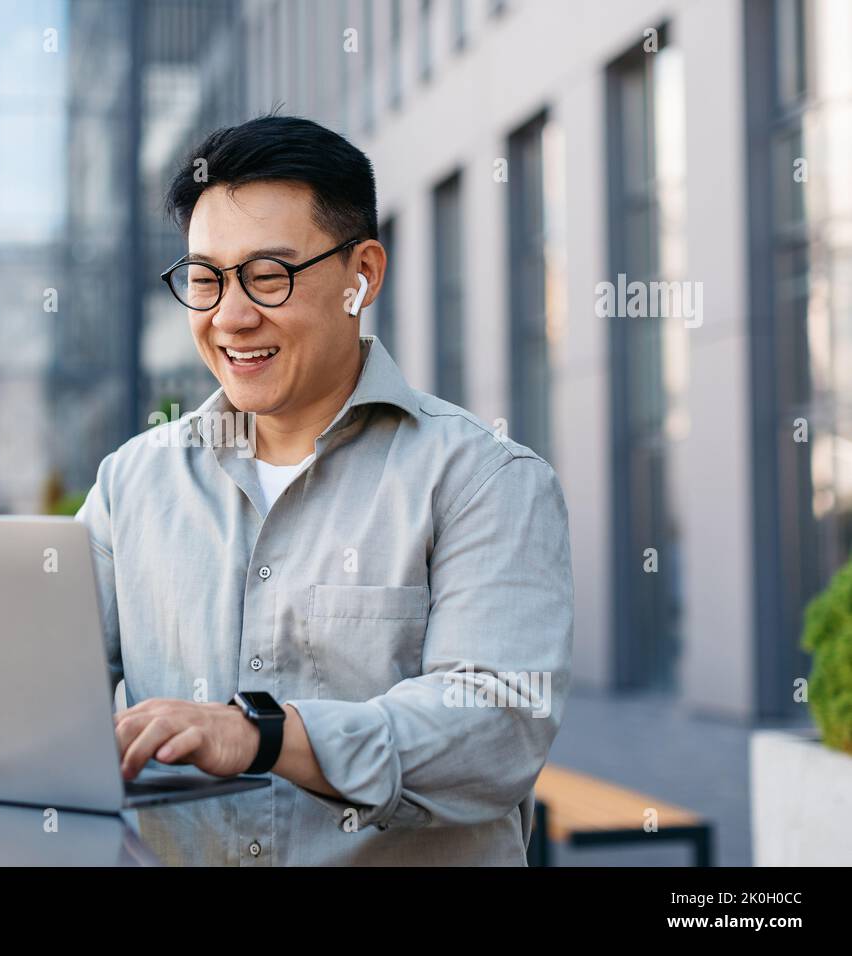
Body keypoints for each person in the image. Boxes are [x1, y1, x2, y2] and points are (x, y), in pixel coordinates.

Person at [75, 114, 574, 865]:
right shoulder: (131, 484)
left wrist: (263, 735)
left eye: (268, 275)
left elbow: (496, 731)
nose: (230, 316)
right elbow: (38, 687)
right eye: (206, 279)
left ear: (361, 276)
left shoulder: (487, 481)